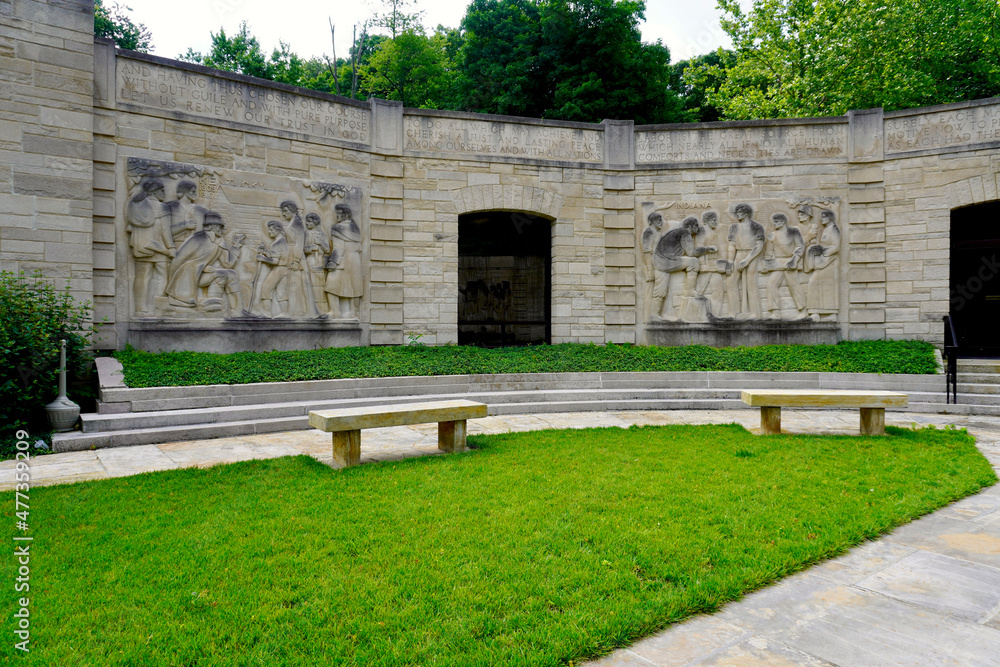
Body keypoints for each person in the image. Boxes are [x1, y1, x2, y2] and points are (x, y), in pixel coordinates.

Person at [164, 213, 246, 315]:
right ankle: (212, 306)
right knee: (221, 275)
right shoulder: (198, 238)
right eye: (219, 227)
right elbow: (178, 260)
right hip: (187, 278)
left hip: (201, 276)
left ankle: (237, 311)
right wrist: (202, 268)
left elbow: (227, 264)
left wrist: (235, 247)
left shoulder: (220, 241)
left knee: (231, 274)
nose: (221, 230)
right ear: (212, 227)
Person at [651, 216, 715, 321]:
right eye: (696, 225)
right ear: (689, 226)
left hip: (660, 260)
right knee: (693, 261)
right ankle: (690, 290)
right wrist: (707, 249)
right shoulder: (685, 233)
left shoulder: (677, 232)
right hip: (665, 261)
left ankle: (654, 314)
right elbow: (691, 252)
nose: (698, 228)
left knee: (660, 290)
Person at [125, 179, 174, 315]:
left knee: (142, 276)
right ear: (155, 191)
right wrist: (171, 248)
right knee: (162, 275)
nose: (164, 193)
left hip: (141, 246)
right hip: (160, 247)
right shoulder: (162, 207)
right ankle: (158, 307)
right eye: (162, 190)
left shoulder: (137, 205)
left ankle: (140, 308)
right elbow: (165, 230)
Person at [760, 212, 807, 318]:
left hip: (790, 262)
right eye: (773, 222)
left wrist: (794, 260)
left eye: (776, 222)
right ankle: (775, 312)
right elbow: (768, 253)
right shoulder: (772, 235)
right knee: (771, 285)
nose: (774, 224)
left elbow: (800, 247)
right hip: (777, 263)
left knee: (794, 286)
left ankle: (803, 311)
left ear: (783, 222)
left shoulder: (793, 231)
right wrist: (766, 265)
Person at [279, 200, 322, 317]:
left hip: (295, 256)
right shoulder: (291, 223)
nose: (283, 214)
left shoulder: (297, 224)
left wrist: (296, 261)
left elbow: (299, 243)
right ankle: (292, 310)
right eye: (282, 212)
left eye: (285, 211)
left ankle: (298, 311)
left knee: (296, 285)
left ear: (292, 211)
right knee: (291, 284)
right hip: (290, 254)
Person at [725, 203, 766, 319]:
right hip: (739, 253)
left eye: (740, 212)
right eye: (736, 212)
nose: (738, 214)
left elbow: (759, 246)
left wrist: (747, 260)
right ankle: (733, 313)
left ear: (746, 213)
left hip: (751, 255)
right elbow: (732, 245)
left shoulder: (757, 227)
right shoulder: (734, 227)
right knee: (730, 282)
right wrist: (730, 262)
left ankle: (755, 314)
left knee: (751, 283)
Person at [324, 204, 364, 318]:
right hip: (355, 259)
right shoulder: (356, 228)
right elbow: (359, 247)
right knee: (355, 286)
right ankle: (354, 312)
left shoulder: (337, 228)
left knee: (331, 285)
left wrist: (333, 262)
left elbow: (338, 247)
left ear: (346, 215)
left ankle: (335, 312)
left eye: (339, 214)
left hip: (342, 259)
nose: (337, 216)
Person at [804, 208, 841, 319]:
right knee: (816, 284)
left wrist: (822, 251)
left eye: (824, 217)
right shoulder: (826, 229)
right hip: (824, 261)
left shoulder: (834, 229)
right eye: (821, 217)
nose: (822, 219)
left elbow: (836, 247)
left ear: (830, 218)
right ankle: (816, 312)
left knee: (818, 284)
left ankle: (831, 314)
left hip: (830, 262)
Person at [253, 220, 291, 318]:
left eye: (271, 230)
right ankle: (285, 313)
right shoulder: (282, 241)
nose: (269, 232)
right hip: (284, 269)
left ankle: (266, 313)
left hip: (278, 269)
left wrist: (263, 258)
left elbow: (275, 261)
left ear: (277, 230)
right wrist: (266, 252)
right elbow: (278, 256)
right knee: (281, 291)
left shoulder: (277, 243)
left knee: (266, 288)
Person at [694, 210, 728, 317]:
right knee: (698, 291)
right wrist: (702, 264)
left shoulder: (713, 233)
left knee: (719, 290)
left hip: (714, 266)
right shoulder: (702, 231)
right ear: (707, 221)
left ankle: (714, 315)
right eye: (713, 220)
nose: (715, 222)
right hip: (705, 265)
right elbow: (698, 248)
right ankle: (695, 315)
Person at [164, 180, 207, 246]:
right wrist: (184, 225)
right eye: (193, 191)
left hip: (195, 247)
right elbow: (162, 232)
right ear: (185, 192)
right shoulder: (169, 207)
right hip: (174, 246)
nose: (195, 194)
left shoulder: (201, 211)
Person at [304, 212, 330, 309]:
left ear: (315, 222)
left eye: (309, 222)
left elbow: (327, 249)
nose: (307, 224)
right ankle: (313, 308)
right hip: (311, 260)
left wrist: (320, 243)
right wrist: (311, 248)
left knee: (320, 285)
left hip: (320, 260)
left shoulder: (322, 234)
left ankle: (322, 308)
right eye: (306, 222)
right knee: (312, 285)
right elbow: (304, 249)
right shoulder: (307, 233)